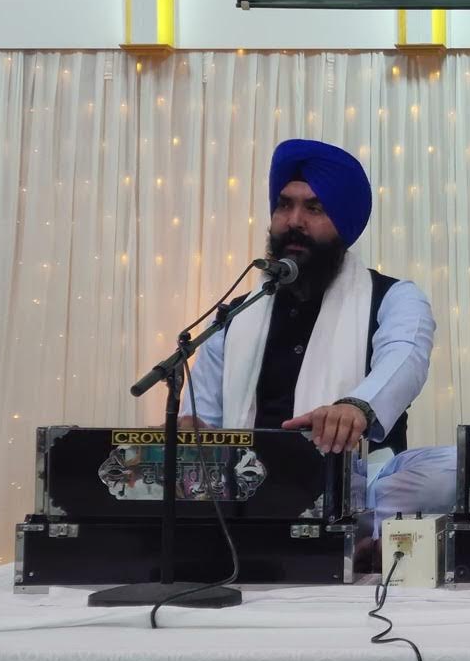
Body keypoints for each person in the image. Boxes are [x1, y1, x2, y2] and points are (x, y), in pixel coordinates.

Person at [179, 139, 436, 457]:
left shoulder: (394, 299)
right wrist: (191, 433)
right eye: (284, 205)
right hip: (246, 498)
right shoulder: (236, 314)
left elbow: (405, 361)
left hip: (360, 495)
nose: (294, 221)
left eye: (314, 208)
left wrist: (356, 408)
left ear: (343, 224)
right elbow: (204, 421)